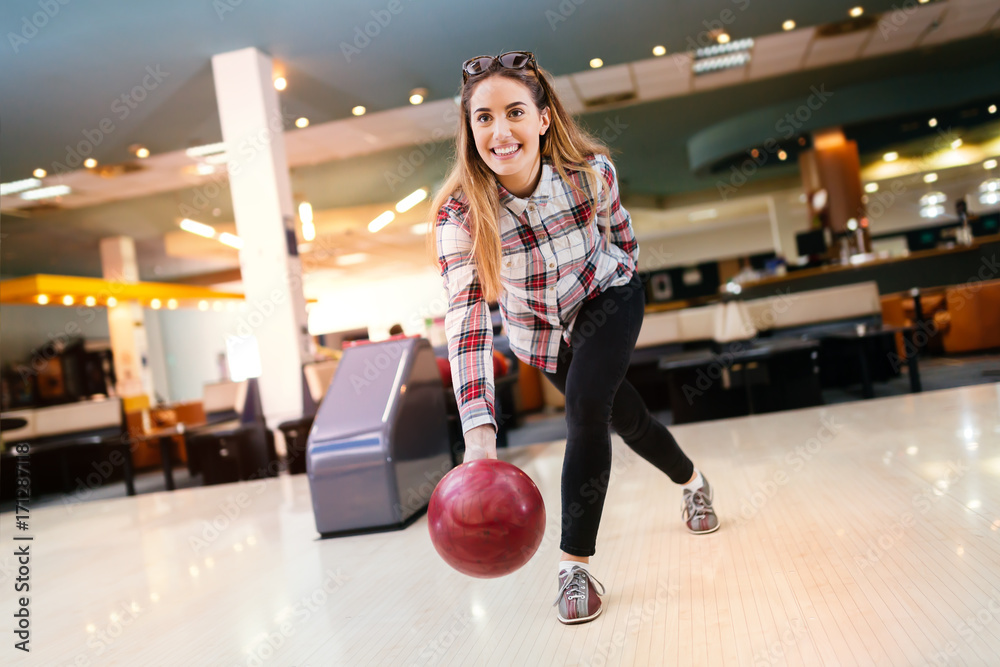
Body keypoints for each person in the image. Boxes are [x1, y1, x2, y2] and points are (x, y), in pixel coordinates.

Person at [430, 51, 719, 625]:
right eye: (482, 118)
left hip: (605, 294)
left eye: (514, 111)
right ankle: (694, 480)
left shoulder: (590, 172)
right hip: (541, 332)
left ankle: (574, 567)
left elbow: (621, 238)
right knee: (624, 416)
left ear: (542, 118)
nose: (499, 130)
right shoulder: (459, 217)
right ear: (470, 129)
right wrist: (479, 443)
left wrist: (619, 296)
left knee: (587, 406)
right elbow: (465, 325)